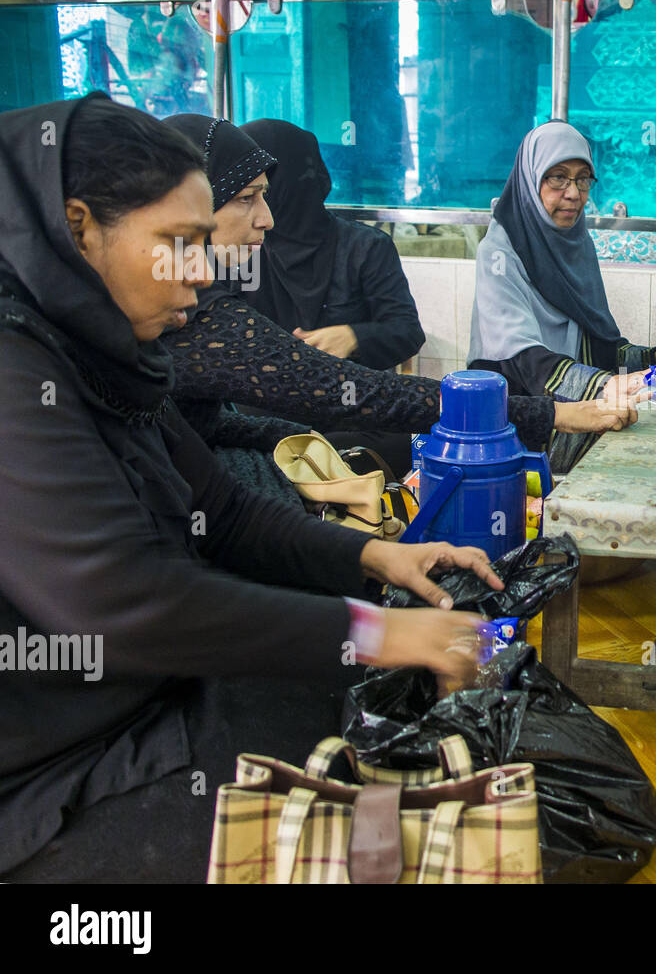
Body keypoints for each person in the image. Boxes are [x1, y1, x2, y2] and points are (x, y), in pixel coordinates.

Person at [0, 93, 505, 883]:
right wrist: (380, 632)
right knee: (355, 834)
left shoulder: (106, 357)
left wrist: (376, 556)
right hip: (45, 774)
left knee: (366, 726)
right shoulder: (16, 373)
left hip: (141, 700)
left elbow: (223, 511)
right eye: (178, 244)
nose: (201, 276)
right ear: (76, 228)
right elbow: (125, 605)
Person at [157, 116, 637, 487]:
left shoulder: (357, 247)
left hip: (323, 427)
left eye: (268, 195)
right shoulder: (192, 305)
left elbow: (227, 426)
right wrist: (549, 413)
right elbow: (326, 385)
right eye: (246, 197)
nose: (267, 217)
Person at [468, 121, 656, 472]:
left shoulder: (577, 245)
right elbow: (522, 359)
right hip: (517, 429)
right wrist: (608, 384)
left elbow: (598, 347)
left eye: (583, 179)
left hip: (579, 416)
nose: (574, 193)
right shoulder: (498, 253)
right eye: (557, 177)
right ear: (529, 181)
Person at [238, 117, 424, 371]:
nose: (257, 209)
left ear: (287, 181)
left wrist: (354, 337)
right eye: (247, 195)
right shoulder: (243, 250)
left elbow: (407, 331)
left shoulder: (365, 247)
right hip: (262, 399)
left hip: (349, 398)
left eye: (262, 192)